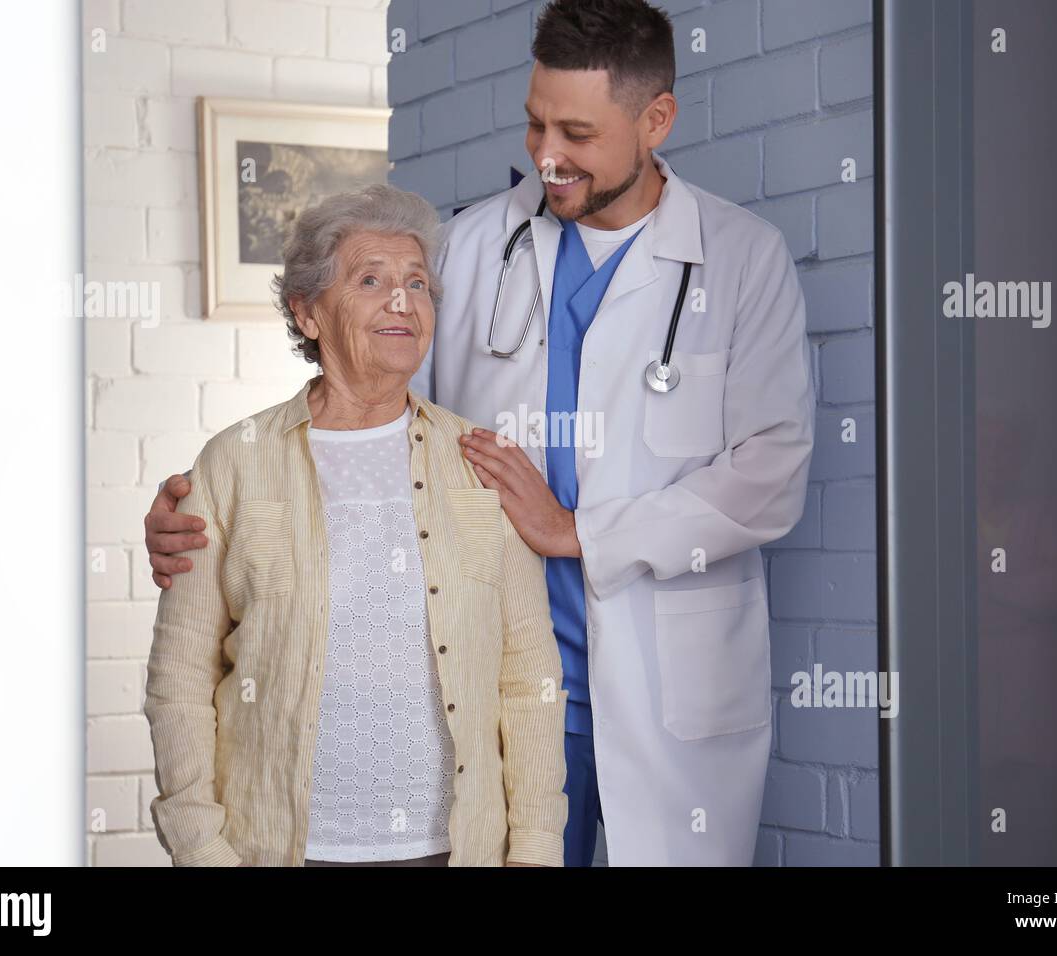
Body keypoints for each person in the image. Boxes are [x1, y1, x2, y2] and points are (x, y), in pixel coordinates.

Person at [145, 0, 814, 866]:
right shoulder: (468, 247)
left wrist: (577, 532)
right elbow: (368, 408)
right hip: (493, 690)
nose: (545, 155)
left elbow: (772, 472)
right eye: (535, 122)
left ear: (656, 121)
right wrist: (214, 513)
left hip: (668, 682)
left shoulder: (742, 258)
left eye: (576, 132)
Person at [144, 184, 567, 867]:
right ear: (307, 312)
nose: (403, 302)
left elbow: (529, 679)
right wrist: (200, 845)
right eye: (371, 280)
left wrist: (538, 847)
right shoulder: (232, 465)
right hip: (276, 847)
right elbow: (181, 677)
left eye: (417, 284)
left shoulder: (480, 463)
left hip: (456, 849)